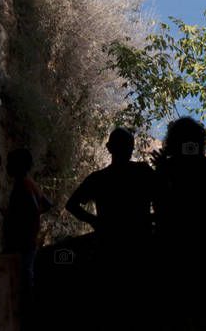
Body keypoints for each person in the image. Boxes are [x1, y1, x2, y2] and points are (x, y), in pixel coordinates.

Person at [66, 128, 157, 328]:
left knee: (109, 308)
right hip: (140, 250)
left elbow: (71, 205)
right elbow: (167, 199)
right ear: (131, 148)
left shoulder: (98, 178)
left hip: (108, 250)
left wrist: (95, 221)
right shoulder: (143, 172)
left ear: (109, 148)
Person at [152, 117, 206, 330]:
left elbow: (161, 204)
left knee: (178, 297)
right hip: (205, 239)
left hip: (175, 241)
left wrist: (161, 168)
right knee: (205, 293)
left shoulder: (169, 167)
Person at [2, 147, 53, 321]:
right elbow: (47, 204)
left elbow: (32, 209)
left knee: (22, 285)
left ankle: (26, 319)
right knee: (25, 279)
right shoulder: (31, 183)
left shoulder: (22, 184)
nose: (7, 166)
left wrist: (21, 218)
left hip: (21, 244)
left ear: (18, 165)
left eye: (10, 163)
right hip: (28, 243)